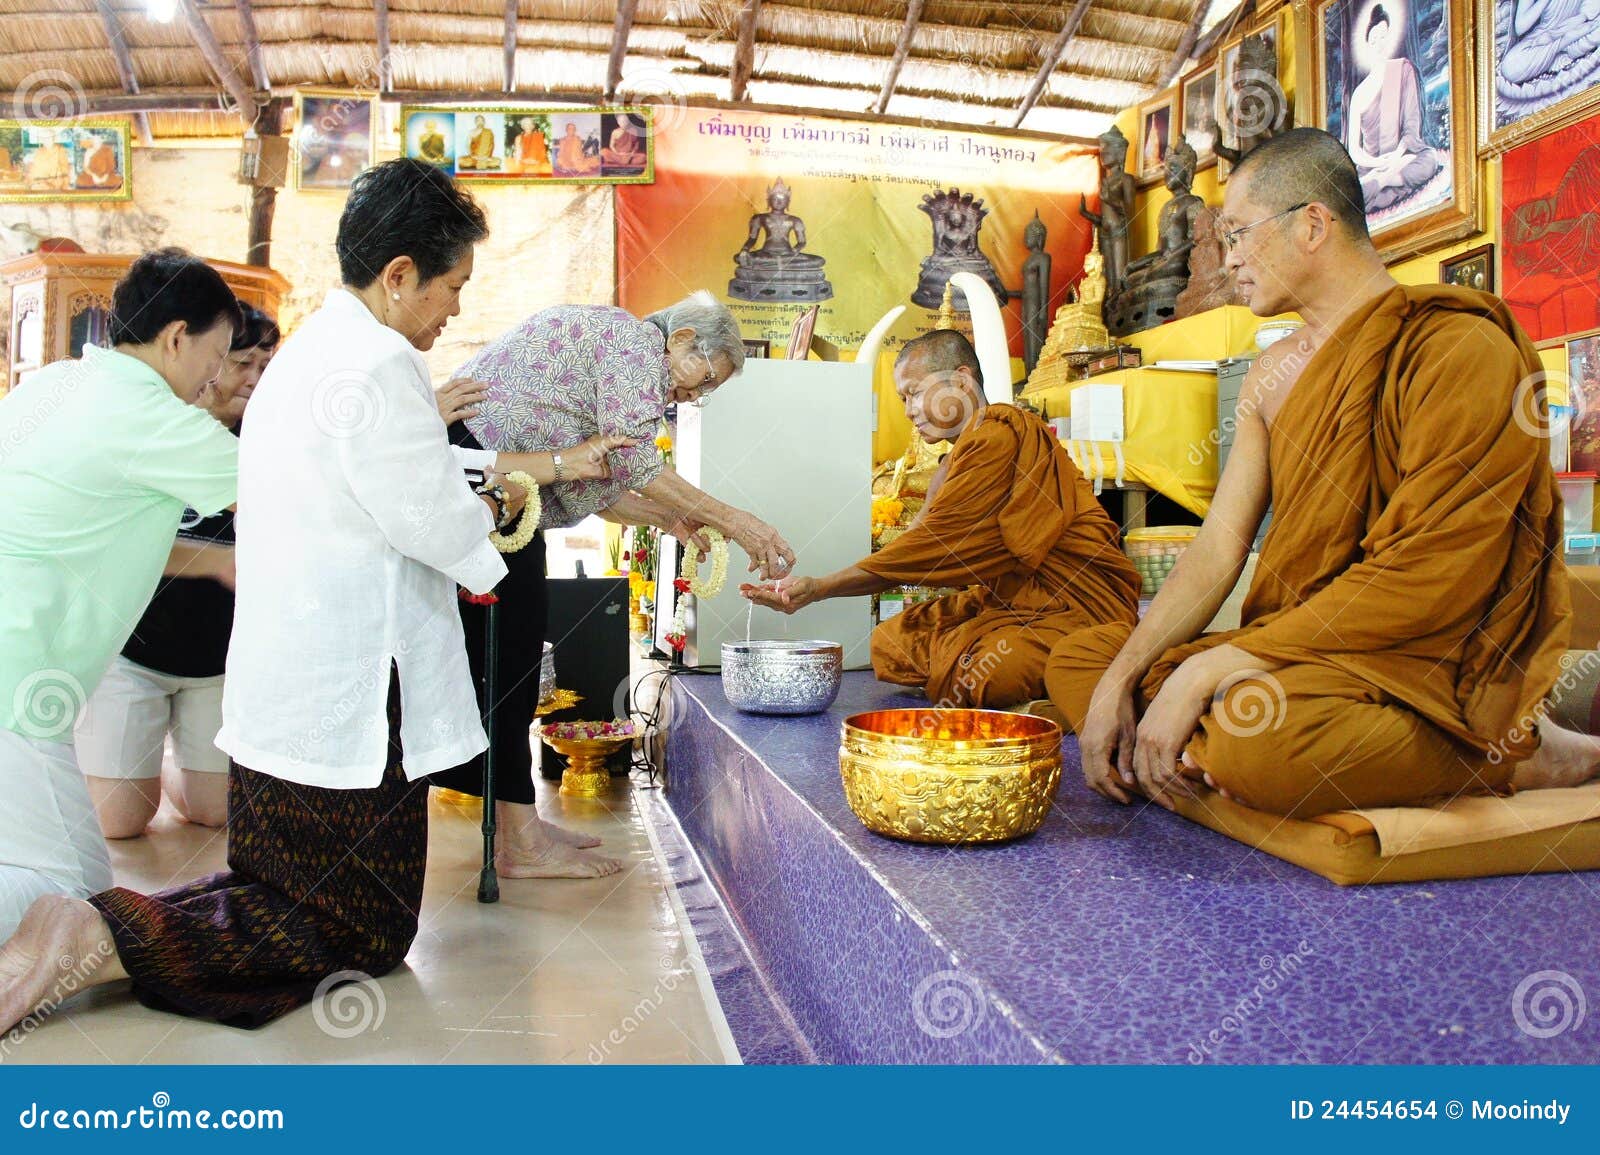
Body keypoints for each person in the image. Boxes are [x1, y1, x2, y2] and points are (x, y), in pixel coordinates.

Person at [0, 159, 522, 1032]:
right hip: (351, 685)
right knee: (362, 925)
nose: (457, 309)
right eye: (454, 286)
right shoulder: (380, 360)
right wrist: (497, 525)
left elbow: (319, 487)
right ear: (400, 274)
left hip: (279, 680)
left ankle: (101, 925)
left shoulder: (298, 356)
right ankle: (100, 932)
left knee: (274, 885)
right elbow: (425, 518)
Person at [1048, 127, 1596, 819]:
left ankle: (1523, 753)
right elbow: (1219, 546)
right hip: (1302, 645)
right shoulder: (1270, 374)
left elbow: (1430, 575)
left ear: (1312, 224)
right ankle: (1199, 740)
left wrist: (1216, 666)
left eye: (1238, 233)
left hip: (1416, 660)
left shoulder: (1459, 347)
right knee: (1081, 659)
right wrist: (1122, 677)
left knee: (1260, 745)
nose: (1227, 258)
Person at [429, 292, 796, 872]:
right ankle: (520, 842)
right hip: (479, 487)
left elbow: (600, 484)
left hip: (502, 495)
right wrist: (737, 522)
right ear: (681, 340)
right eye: (705, 378)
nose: (696, 396)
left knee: (511, 663)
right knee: (506, 662)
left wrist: (671, 519)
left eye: (709, 391)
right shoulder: (632, 344)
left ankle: (517, 829)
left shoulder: (624, 360)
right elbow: (632, 465)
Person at [0, 248, 243, 942]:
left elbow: (104, 534)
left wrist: (218, 564)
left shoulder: (54, 384)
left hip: (25, 686)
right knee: (65, 903)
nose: (217, 377)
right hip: (16, 688)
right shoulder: (152, 417)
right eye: (218, 355)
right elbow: (297, 490)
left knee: (92, 887)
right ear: (177, 337)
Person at [743, 329, 1140, 709]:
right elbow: (916, 544)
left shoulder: (998, 437)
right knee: (890, 643)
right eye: (903, 399)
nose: (908, 411)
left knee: (990, 671)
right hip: (1012, 605)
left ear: (961, 382)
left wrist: (820, 588)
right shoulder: (956, 459)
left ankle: (1058, 694)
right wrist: (819, 587)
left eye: (914, 393)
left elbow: (930, 550)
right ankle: (1031, 690)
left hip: (1078, 609)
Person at [74, 307, 280, 839]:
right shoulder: (159, 431)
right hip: (133, 654)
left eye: (265, 365)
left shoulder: (269, 442)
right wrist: (216, 562)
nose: (253, 379)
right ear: (208, 361)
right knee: (119, 821)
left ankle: (166, 771)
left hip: (216, 663)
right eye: (241, 363)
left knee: (216, 812)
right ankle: (116, 766)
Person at [1346, 3, 1440, 214]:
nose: (1379, 43)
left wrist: (1395, 158)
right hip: (1371, 167)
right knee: (1348, 193)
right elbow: (1355, 151)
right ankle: (1381, 182)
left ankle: (1382, 182)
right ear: (1367, 41)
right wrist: (1377, 162)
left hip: (1402, 157)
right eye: (1374, 38)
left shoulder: (1402, 70)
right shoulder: (1359, 94)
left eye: (1383, 37)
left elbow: (1411, 127)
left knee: (1430, 160)